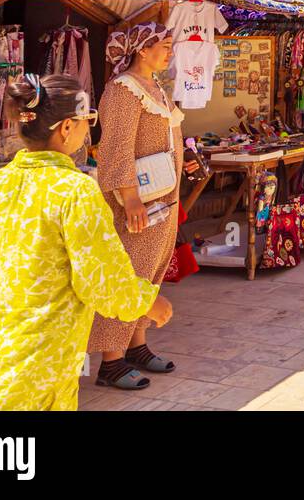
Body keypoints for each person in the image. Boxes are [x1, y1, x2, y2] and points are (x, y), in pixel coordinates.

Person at [0, 74, 171, 410]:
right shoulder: (76, 191)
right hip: (44, 365)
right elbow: (101, 279)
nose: (89, 130)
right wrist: (146, 301)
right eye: (87, 122)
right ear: (66, 128)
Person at [89, 23, 183, 390]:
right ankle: (110, 362)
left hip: (162, 200)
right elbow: (115, 146)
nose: (169, 51)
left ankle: (136, 345)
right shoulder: (122, 91)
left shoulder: (155, 87)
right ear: (142, 49)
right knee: (127, 275)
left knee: (149, 272)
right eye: (164, 45)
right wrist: (128, 197)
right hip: (138, 201)